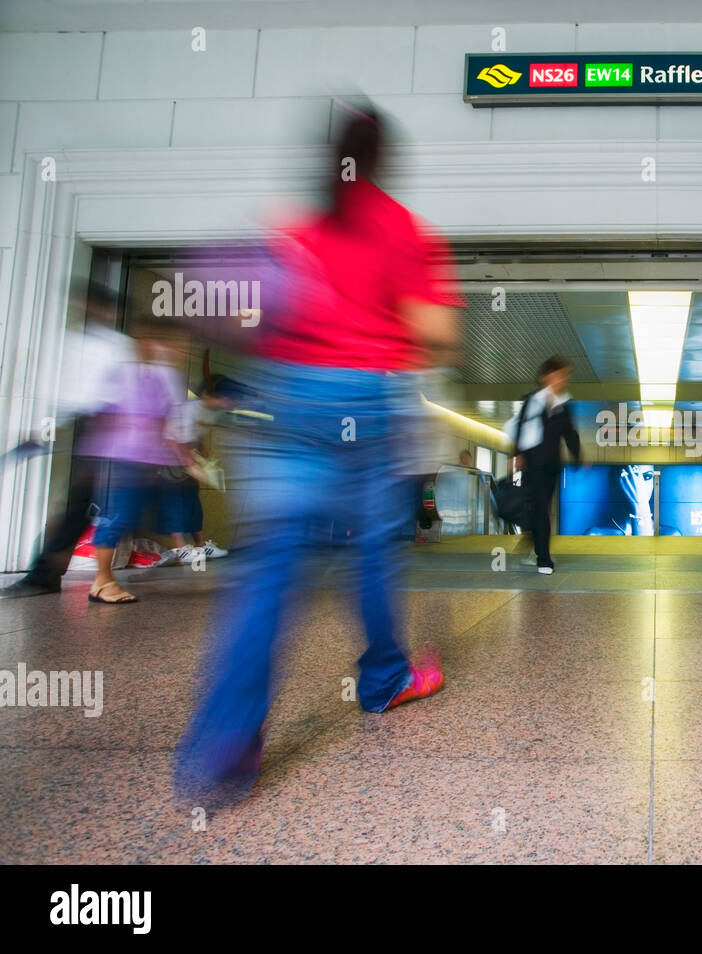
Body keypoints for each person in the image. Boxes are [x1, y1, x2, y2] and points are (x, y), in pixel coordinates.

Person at [173, 103, 463, 804]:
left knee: (269, 570)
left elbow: (232, 303)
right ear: (384, 160)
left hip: (285, 401)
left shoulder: (293, 226)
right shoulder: (406, 232)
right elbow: (440, 333)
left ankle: (224, 747)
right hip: (366, 403)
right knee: (372, 554)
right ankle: (385, 680)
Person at [0, 282, 135, 599]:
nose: (84, 309)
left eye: (90, 304)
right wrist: (45, 428)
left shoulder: (119, 347)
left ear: (107, 309)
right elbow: (68, 393)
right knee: (80, 506)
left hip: (108, 430)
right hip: (86, 428)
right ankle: (52, 572)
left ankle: (58, 573)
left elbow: (120, 395)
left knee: (87, 506)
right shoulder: (75, 342)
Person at [80, 326, 191, 603]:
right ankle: (102, 581)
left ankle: (107, 577)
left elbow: (166, 421)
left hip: (144, 458)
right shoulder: (124, 375)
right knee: (118, 515)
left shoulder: (160, 377)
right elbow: (104, 413)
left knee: (127, 515)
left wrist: (184, 457)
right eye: (170, 343)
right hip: (123, 456)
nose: (176, 351)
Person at [510, 355, 582, 575]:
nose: (563, 379)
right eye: (560, 374)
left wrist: (578, 456)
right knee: (540, 509)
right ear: (547, 375)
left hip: (551, 465)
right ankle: (544, 559)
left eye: (566, 375)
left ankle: (536, 543)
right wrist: (516, 455)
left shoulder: (564, 405)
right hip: (532, 464)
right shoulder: (532, 400)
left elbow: (570, 433)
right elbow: (520, 428)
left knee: (541, 509)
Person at [155, 377, 235, 565]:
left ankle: (200, 546)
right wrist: (188, 463)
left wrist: (205, 456)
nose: (233, 405)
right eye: (232, 400)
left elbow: (196, 438)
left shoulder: (213, 413)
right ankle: (181, 548)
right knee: (174, 502)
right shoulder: (191, 409)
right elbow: (173, 439)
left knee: (192, 502)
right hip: (168, 459)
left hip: (187, 460)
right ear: (223, 397)